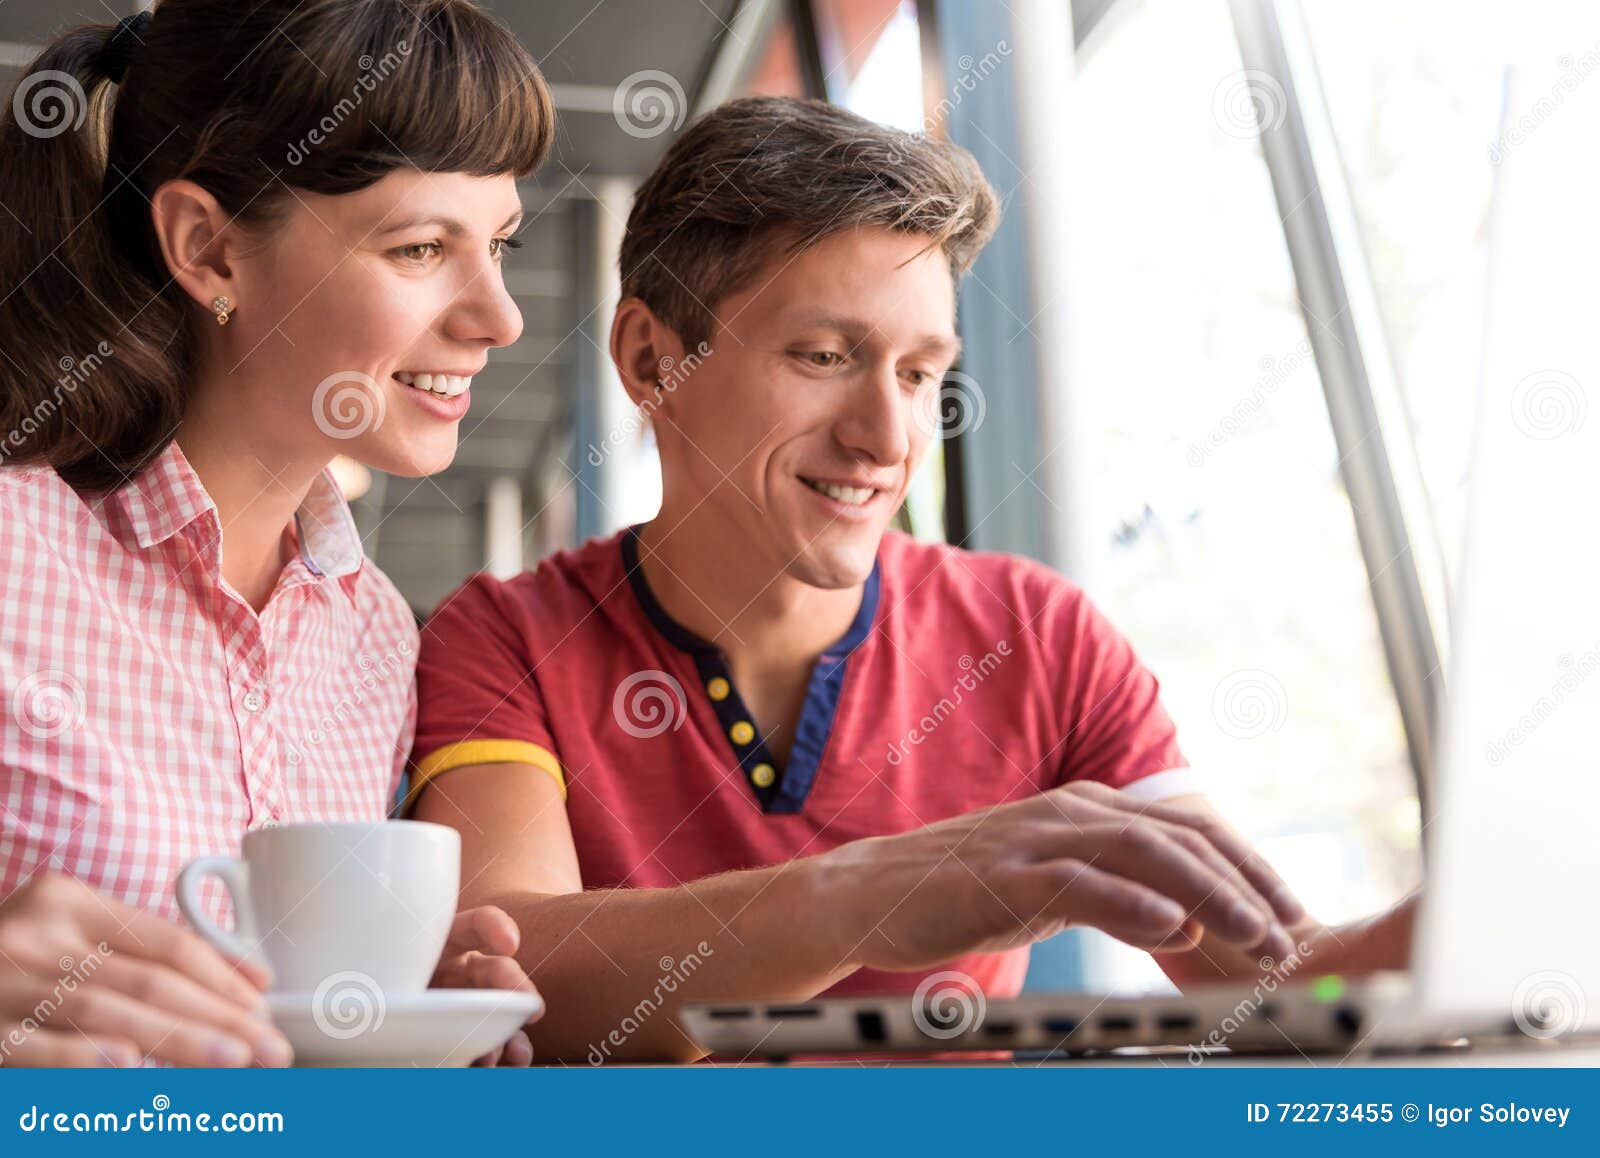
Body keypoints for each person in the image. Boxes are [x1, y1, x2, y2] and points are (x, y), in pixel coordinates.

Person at [408, 96, 1415, 1063]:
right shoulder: (505, 641)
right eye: (824, 355)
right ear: (648, 356)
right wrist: (868, 894)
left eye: (919, 372)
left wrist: (1461, 927)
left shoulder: (1038, 636)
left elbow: (1289, 995)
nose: (884, 438)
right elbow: (511, 977)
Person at [0, 0, 549, 1067]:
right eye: (423, 246)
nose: (498, 316)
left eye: (502, 247)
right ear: (209, 251)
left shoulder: (374, 634)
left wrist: (398, 1023)